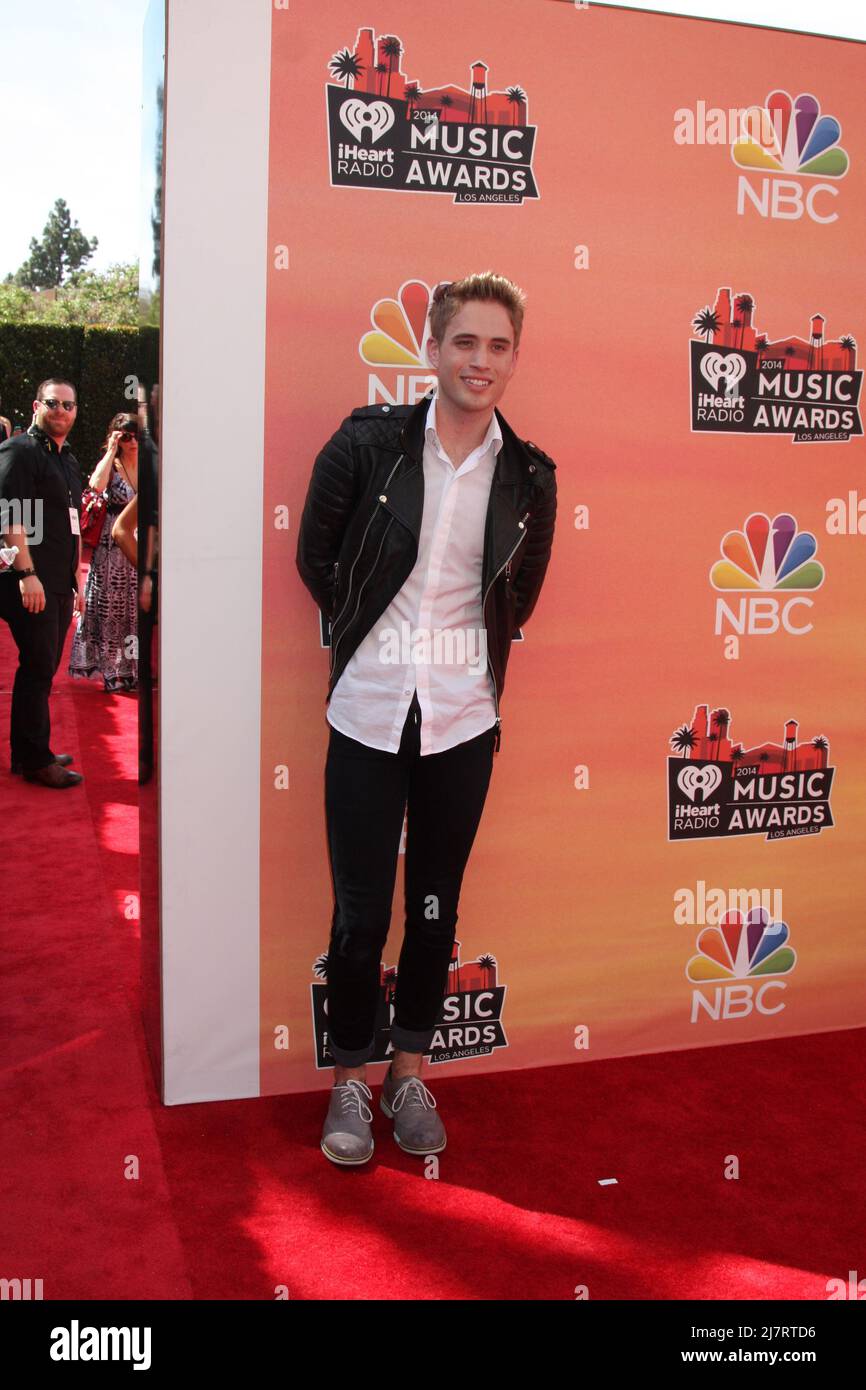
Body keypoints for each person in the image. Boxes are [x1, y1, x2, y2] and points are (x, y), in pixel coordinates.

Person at [296, 272, 557, 1165]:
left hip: (462, 723)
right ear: (433, 349)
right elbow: (317, 561)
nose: (481, 361)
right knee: (360, 916)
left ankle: (408, 1074)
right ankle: (348, 1083)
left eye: (498, 346)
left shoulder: (529, 478)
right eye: (465, 342)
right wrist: (376, 644)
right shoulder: (366, 445)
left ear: (514, 359)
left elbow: (516, 599)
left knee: (435, 911)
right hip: (368, 711)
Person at [0, 378, 84, 788]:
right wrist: (26, 574)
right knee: (37, 665)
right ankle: (35, 759)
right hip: (30, 579)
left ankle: (29, 751)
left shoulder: (68, 461)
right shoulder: (20, 452)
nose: (60, 411)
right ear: (37, 406)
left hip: (58, 581)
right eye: (53, 403)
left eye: (68, 405)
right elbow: (9, 516)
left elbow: (72, 522)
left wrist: (76, 577)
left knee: (44, 667)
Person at [68, 413, 138, 692]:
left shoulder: (149, 464)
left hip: (138, 544)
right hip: (111, 548)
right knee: (110, 611)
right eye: (126, 436)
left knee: (134, 611)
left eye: (136, 435)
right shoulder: (112, 465)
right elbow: (95, 486)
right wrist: (111, 450)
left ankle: (133, 670)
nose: (132, 441)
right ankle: (111, 671)